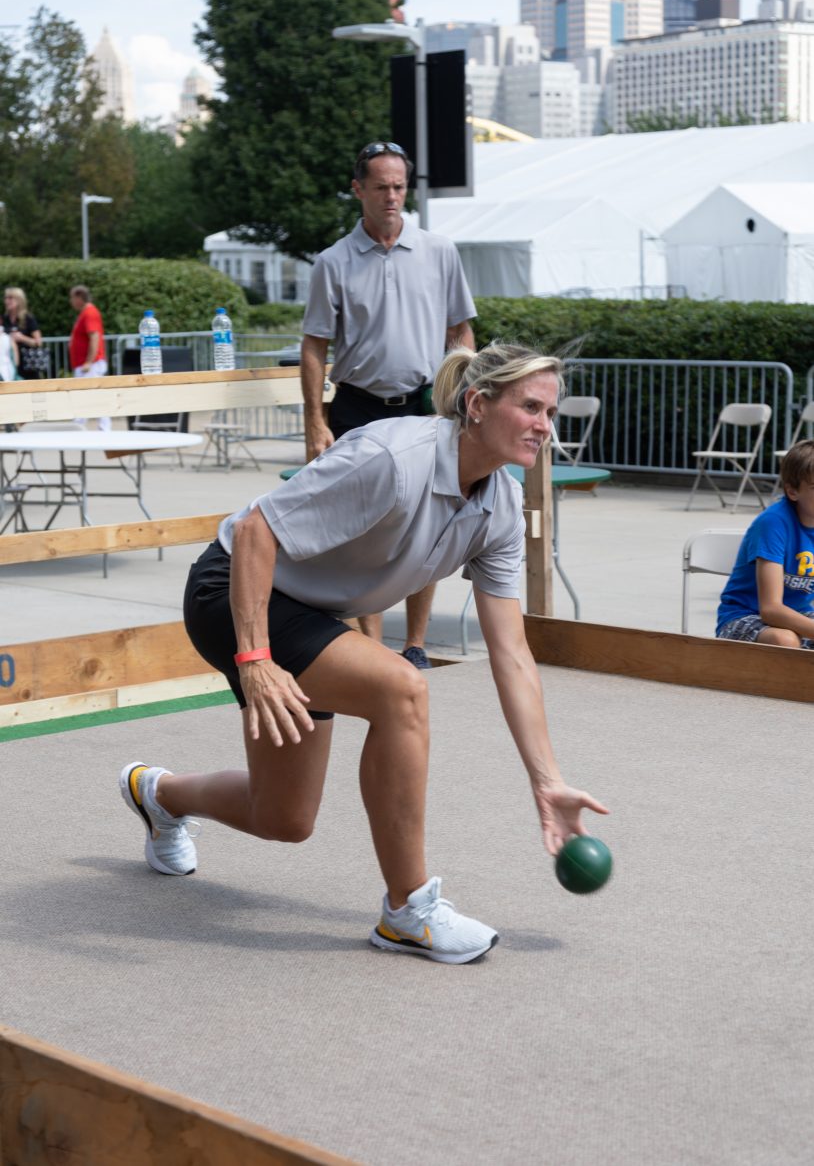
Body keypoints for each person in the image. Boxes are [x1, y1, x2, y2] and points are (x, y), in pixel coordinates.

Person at [119, 342, 610, 966]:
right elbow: (254, 532)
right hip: (234, 592)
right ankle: (408, 911)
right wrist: (255, 660)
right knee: (401, 687)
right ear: (479, 405)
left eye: (551, 412)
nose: (545, 426)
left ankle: (158, 794)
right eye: (531, 407)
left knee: (284, 818)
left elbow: (511, 652)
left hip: (310, 616)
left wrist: (548, 783)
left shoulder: (501, 505)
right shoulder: (392, 457)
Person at [300, 140, 477, 669]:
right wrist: (314, 422)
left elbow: (461, 330)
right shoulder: (332, 262)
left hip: (425, 405)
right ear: (358, 190)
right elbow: (314, 346)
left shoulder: (440, 250)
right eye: (381, 187)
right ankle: (372, 650)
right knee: (363, 528)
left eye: (399, 187)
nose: (392, 197)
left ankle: (416, 644)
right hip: (356, 406)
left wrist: (467, 399)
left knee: (429, 523)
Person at [717, 439, 814, 650]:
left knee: (791, 638)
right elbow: (770, 609)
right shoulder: (774, 523)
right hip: (745, 617)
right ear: (793, 491)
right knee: (786, 641)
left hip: (798, 617)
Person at [68, 284, 110, 431]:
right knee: (90, 396)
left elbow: (94, 337)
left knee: (88, 396)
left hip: (89, 365)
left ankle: (82, 427)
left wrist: (88, 361)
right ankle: (83, 426)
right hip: (87, 364)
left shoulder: (89, 313)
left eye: (72, 298)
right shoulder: (87, 312)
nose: (71, 301)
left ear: (79, 297)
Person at [3, 287, 47, 380]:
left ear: (19, 300)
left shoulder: (28, 318)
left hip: (28, 365)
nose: (7, 301)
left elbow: (38, 342)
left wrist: (21, 338)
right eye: (6, 298)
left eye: (10, 298)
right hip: (10, 365)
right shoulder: (4, 319)